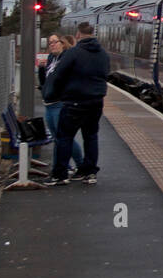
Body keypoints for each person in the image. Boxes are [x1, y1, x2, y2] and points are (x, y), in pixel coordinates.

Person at [43, 22, 110, 186]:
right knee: (91, 137)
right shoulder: (103, 54)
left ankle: (60, 174)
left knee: (64, 137)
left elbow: (59, 75)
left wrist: (56, 93)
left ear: (78, 35)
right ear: (93, 34)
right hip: (96, 102)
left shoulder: (73, 53)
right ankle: (89, 172)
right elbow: (105, 74)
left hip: (74, 102)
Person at [40, 35, 85, 174]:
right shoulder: (51, 59)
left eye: (55, 42)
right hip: (49, 104)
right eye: (50, 43)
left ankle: (77, 166)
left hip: (60, 104)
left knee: (64, 139)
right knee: (59, 139)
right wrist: (41, 69)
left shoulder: (66, 59)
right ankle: (63, 167)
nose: (52, 45)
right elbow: (44, 82)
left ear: (63, 44)